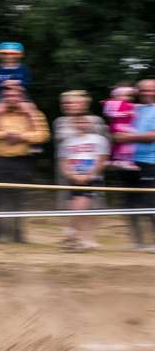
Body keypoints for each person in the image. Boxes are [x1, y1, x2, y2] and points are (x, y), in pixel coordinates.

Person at [0, 81, 49, 242]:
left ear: (22, 97)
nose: (11, 98)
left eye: (15, 95)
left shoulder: (33, 113)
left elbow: (43, 135)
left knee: (19, 197)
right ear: (3, 97)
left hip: (23, 160)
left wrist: (22, 136)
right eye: (7, 95)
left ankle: (17, 234)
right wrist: (3, 134)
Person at [54, 90, 109, 250]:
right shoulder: (61, 122)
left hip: (92, 171)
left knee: (88, 206)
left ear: (84, 103)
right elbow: (62, 148)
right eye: (66, 103)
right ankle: (74, 236)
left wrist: (93, 172)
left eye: (73, 102)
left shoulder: (95, 121)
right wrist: (70, 172)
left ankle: (84, 238)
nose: (69, 106)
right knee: (74, 205)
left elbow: (102, 150)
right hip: (69, 168)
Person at [102, 84, 146, 247]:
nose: (127, 99)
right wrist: (126, 111)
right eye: (124, 95)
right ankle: (136, 239)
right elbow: (109, 112)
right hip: (121, 130)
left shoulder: (134, 106)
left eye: (129, 96)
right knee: (124, 145)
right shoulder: (114, 103)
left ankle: (122, 160)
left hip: (130, 135)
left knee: (127, 146)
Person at [125, 79, 155, 251]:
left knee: (151, 201)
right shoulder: (133, 109)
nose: (146, 93)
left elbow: (152, 135)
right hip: (129, 161)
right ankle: (137, 241)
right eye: (143, 90)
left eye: (150, 90)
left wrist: (127, 138)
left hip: (151, 161)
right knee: (130, 202)